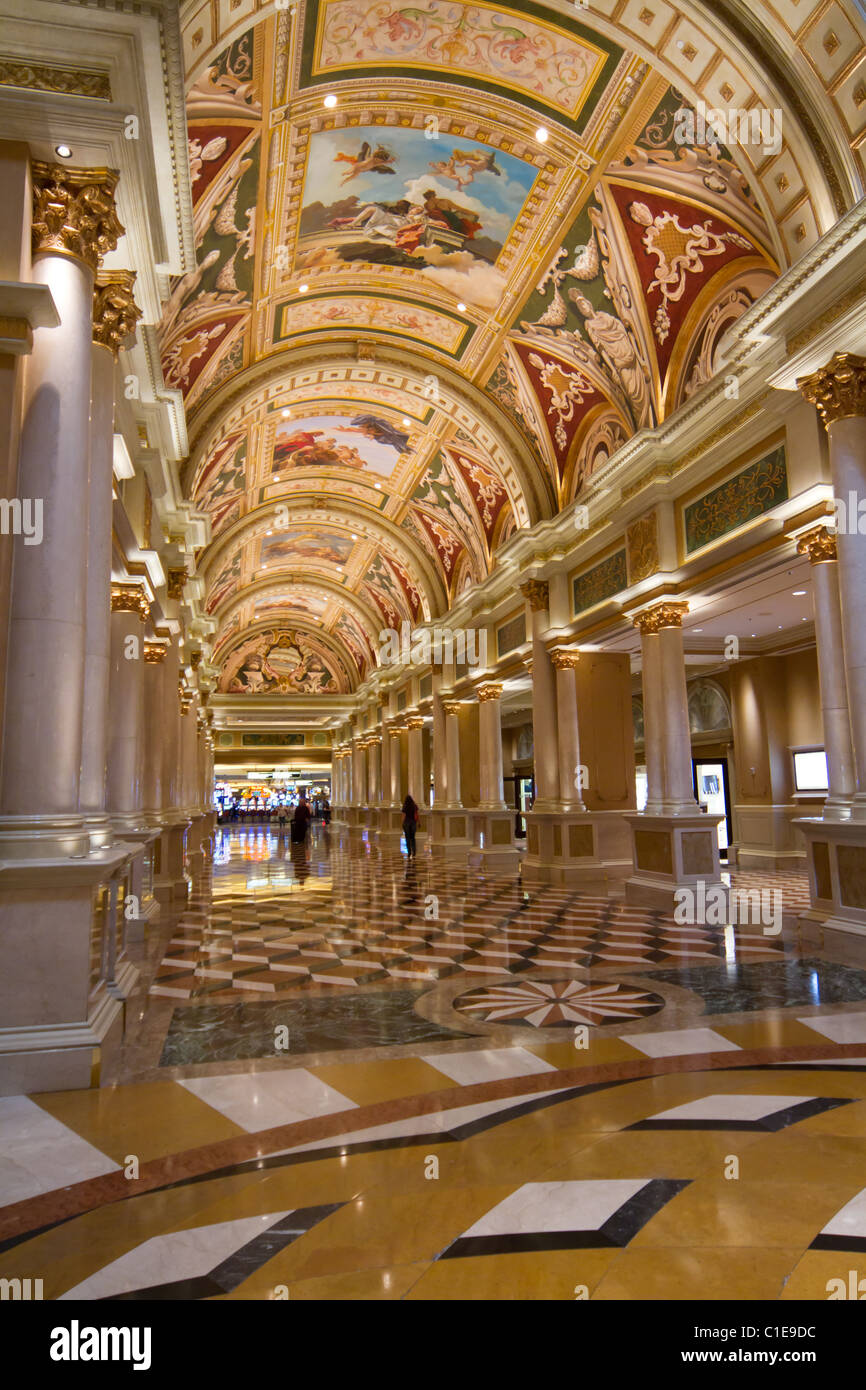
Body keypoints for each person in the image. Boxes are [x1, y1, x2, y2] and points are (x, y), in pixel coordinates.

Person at [402, 794, 418, 858]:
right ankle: (414, 851)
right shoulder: (414, 806)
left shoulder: (405, 806)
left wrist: (402, 823)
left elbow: (403, 815)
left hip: (406, 823)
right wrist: (419, 822)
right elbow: (417, 814)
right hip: (413, 823)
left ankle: (409, 852)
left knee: (407, 838)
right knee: (413, 838)